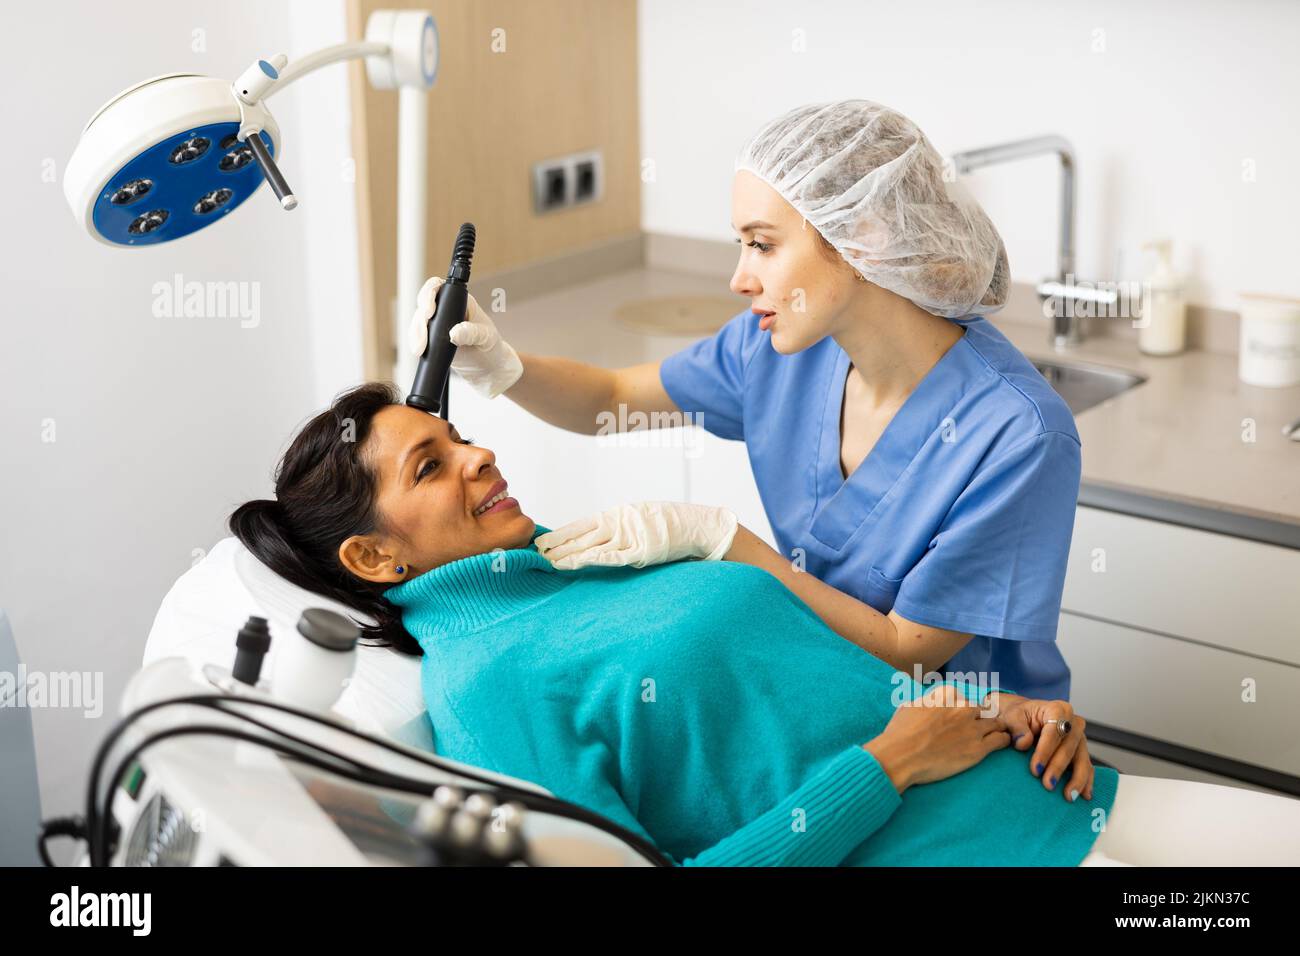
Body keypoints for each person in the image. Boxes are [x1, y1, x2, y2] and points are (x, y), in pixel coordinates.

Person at [228, 384, 1300, 867]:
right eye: (431, 465)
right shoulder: (487, 688)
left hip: (1048, 786)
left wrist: (989, 710)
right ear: (376, 558)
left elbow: (817, 687)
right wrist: (890, 764)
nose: (478, 454)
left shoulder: (588, 555)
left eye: (455, 434)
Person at [406, 99, 1081, 701]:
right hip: (830, 690)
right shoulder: (779, 351)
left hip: (980, 728)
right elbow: (610, 398)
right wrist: (504, 364)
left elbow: (909, 654)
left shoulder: (1017, 433)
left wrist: (724, 541)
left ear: (865, 237)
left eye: (762, 244)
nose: (739, 278)